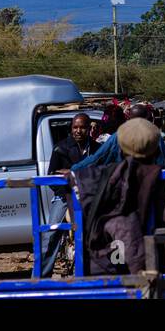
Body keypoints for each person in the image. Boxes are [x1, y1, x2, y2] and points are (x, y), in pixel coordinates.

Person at [79, 118, 165, 275]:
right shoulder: (157, 178)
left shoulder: (101, 177)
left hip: (107, 262)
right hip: (150, 264)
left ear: (120, 149)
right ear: (155, 150)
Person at [42, 112, 94, 275]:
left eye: (82, 127)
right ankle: (41, 276)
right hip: (64, 196)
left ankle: (88, 273)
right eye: (75, 127)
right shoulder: (60, 148)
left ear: (89, 128)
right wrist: (65, 194)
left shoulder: (96, 149)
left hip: (88, 196)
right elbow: (51, 176)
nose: (78, 131)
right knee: (51, 233)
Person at [72, 105, 165, 174]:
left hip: (126, 192)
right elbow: (164, 166)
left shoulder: (118, 136)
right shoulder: (156, 137)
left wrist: (74, 169)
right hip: (148, 191)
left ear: (129, 119)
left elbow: (98, 158)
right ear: (148, 119)